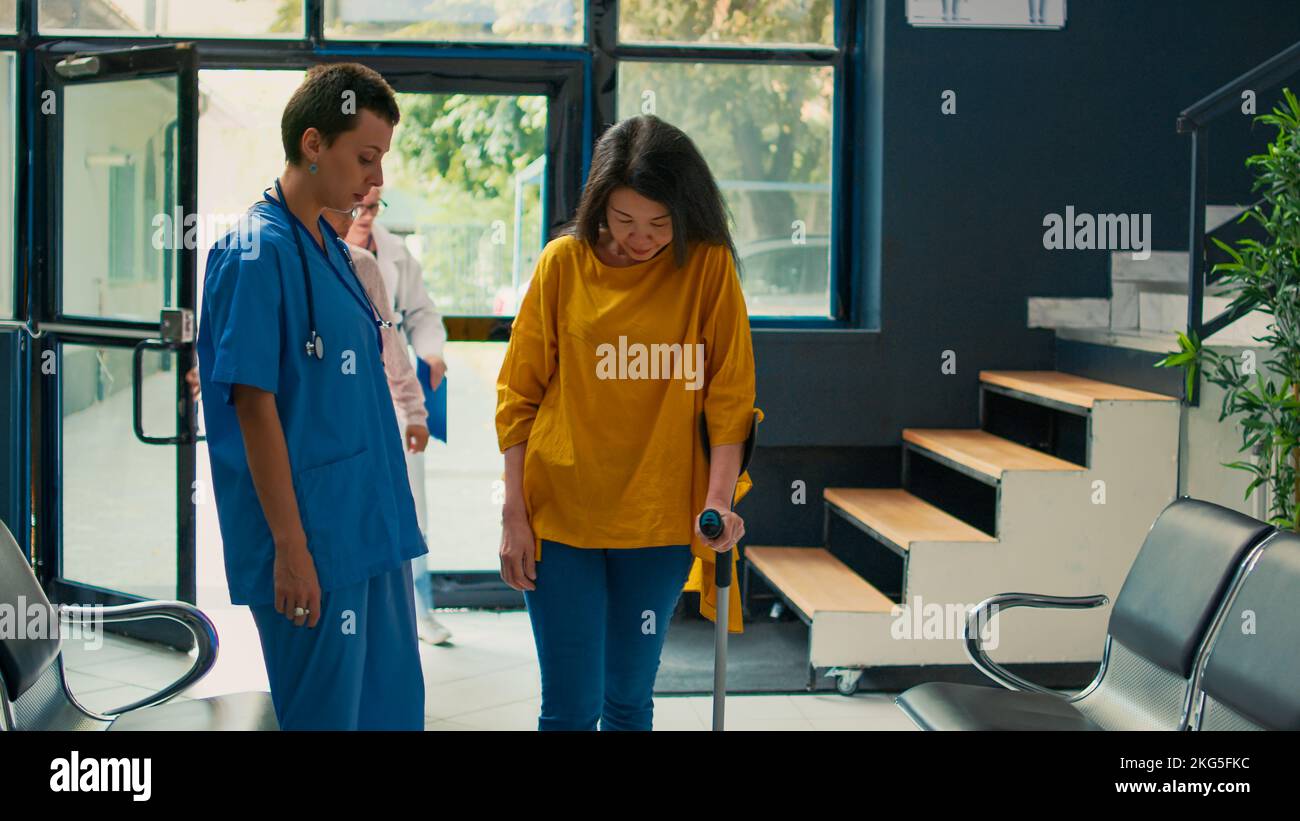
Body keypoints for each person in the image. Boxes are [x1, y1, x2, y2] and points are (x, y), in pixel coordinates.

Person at [495, 114, 757, 731]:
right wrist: (513, 513)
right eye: (624, 220)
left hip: (661, 515)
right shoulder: (563, 264)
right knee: (568, 707)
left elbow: (731, 396)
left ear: (686, 211)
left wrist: (718, 499)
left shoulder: (708, 267)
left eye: (660, 224)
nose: (641, 239)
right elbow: (517, 395)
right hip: (561, 511)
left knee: (627, 700)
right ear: (599, 207)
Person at [195, 63, 427, 730]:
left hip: (372, 530)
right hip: (316, 545)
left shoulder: (331, 248)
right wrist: (291, 549)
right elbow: (253, 405)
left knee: (390, 712)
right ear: (314, 143)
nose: (376, 179)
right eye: (365, 157)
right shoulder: (251, 252)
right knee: (328, 718)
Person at [347, 186, 453, 645]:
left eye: (376, 206)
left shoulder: (393, 255)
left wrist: (430, 353)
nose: (368, 215)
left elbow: (418, 316)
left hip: (393, 393)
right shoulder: (314, 251)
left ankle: (419, 610)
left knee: (411, 505)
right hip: (348, 399)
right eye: (361, 205)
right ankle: (365, 615)